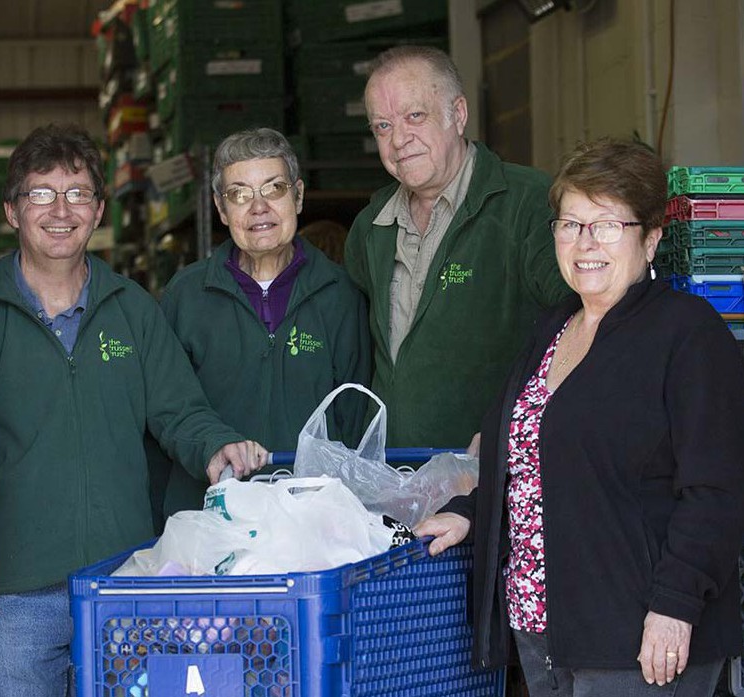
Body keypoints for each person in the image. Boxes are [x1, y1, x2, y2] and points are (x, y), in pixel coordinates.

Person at [416, 138, 744, 697]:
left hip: (640, 636)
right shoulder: (555, 327)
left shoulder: (688, 334)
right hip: (545, 627)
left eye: (608, 224)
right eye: (570, 223)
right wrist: (473, 511)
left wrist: (675, 605)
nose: (585, 243)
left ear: (652, 239)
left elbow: (717, 487)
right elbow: (535, 456)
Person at [0, 123, 266, 697]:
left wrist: (215, 446)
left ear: (99, 210)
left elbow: (179, 409)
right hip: (15, 586)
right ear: (12, 211)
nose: (61, 210)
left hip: (124, 580)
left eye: (77, 194)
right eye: (41, 194)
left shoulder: (131, 308)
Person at [344, 45, 570, 449]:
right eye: (382, 126)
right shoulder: (370, 227)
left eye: (415, 116)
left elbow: (582, 324)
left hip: (492, 478)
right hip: (393, 475)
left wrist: (518, 430)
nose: (398, 140)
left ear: (459, 114)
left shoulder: (529, 202)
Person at [156, 127, 372, 516]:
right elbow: (167, 409)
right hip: (209, 520)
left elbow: (354, 424)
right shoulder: (185, 296)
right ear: (222, 210)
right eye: (239, 194)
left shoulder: (340, 295)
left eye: (274, 189)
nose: (259, 207)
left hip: (313, 522)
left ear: (298, 196)